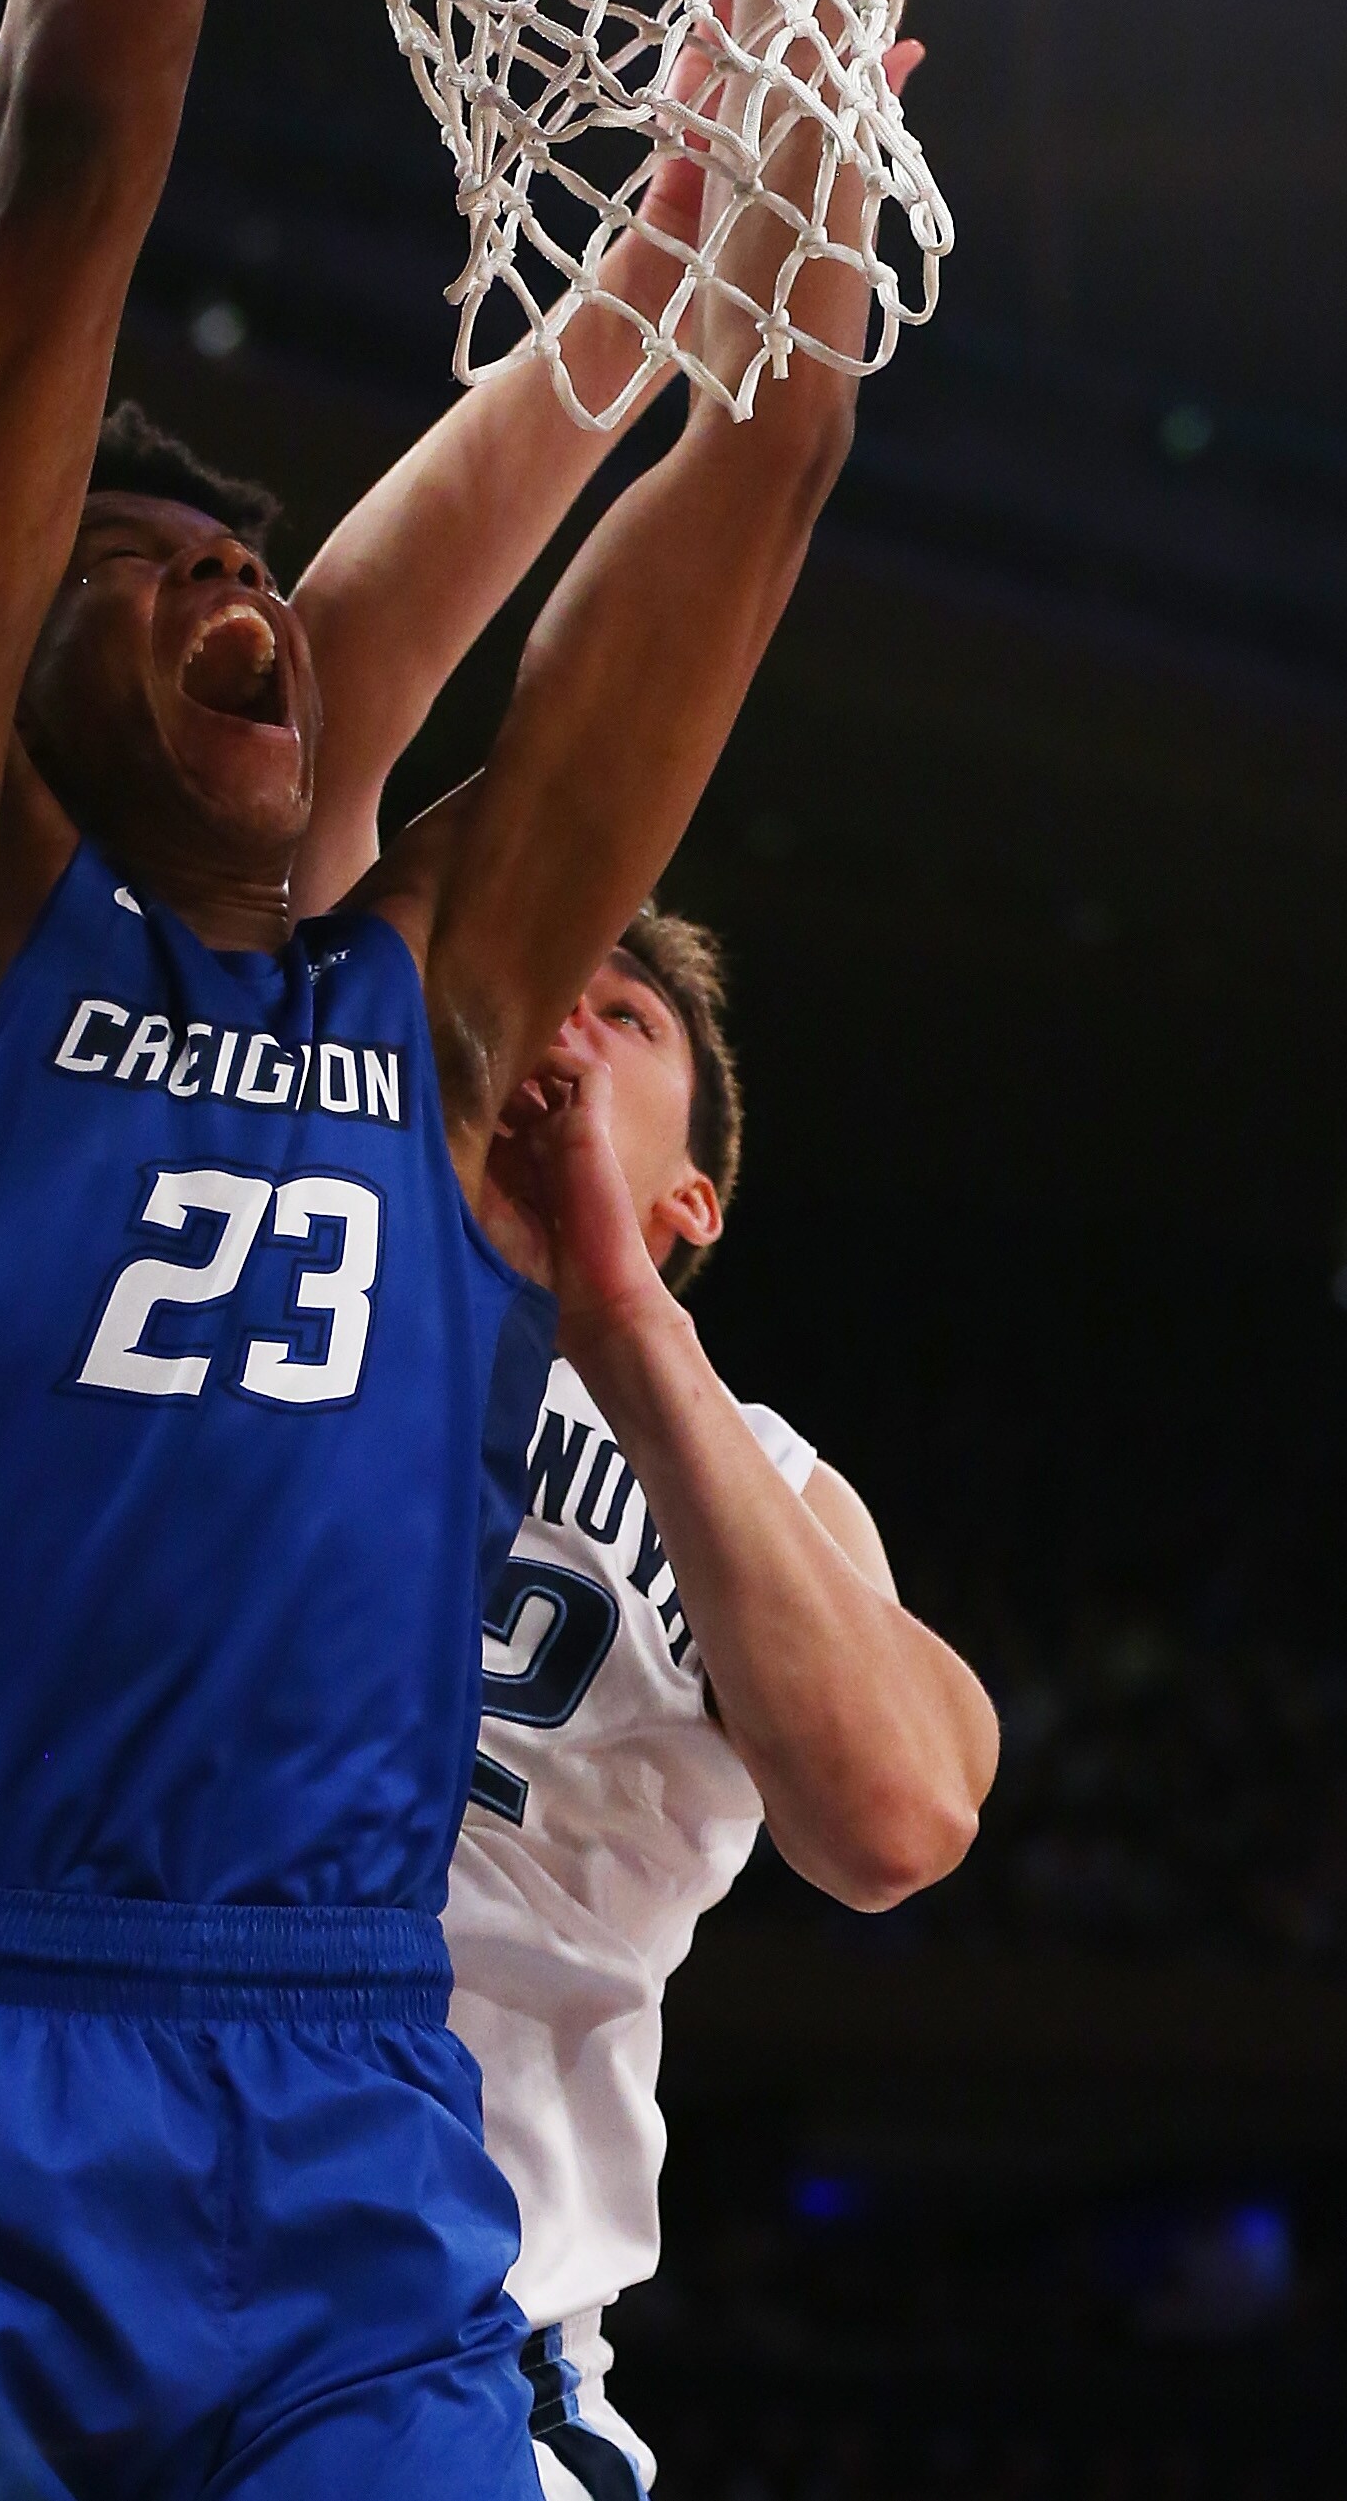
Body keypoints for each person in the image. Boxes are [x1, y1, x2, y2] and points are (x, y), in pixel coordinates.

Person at [0, 0, 889, 2501]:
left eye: (251, 569)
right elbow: (57, 197)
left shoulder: (442, 1010)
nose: (229, 584)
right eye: (151, 572)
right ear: (22, 708)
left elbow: (784, 446)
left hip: (348, 2138)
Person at [284, 295, 997, 2499]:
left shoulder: (754, 1473)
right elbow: (347, 749)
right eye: (536, 976)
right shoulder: (286, 1217)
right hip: (109, 2164)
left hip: (450, 2314)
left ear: (691, 1195)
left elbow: (893, 1818)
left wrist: (614, 1322)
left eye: (621, 1004)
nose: (562, 1020)